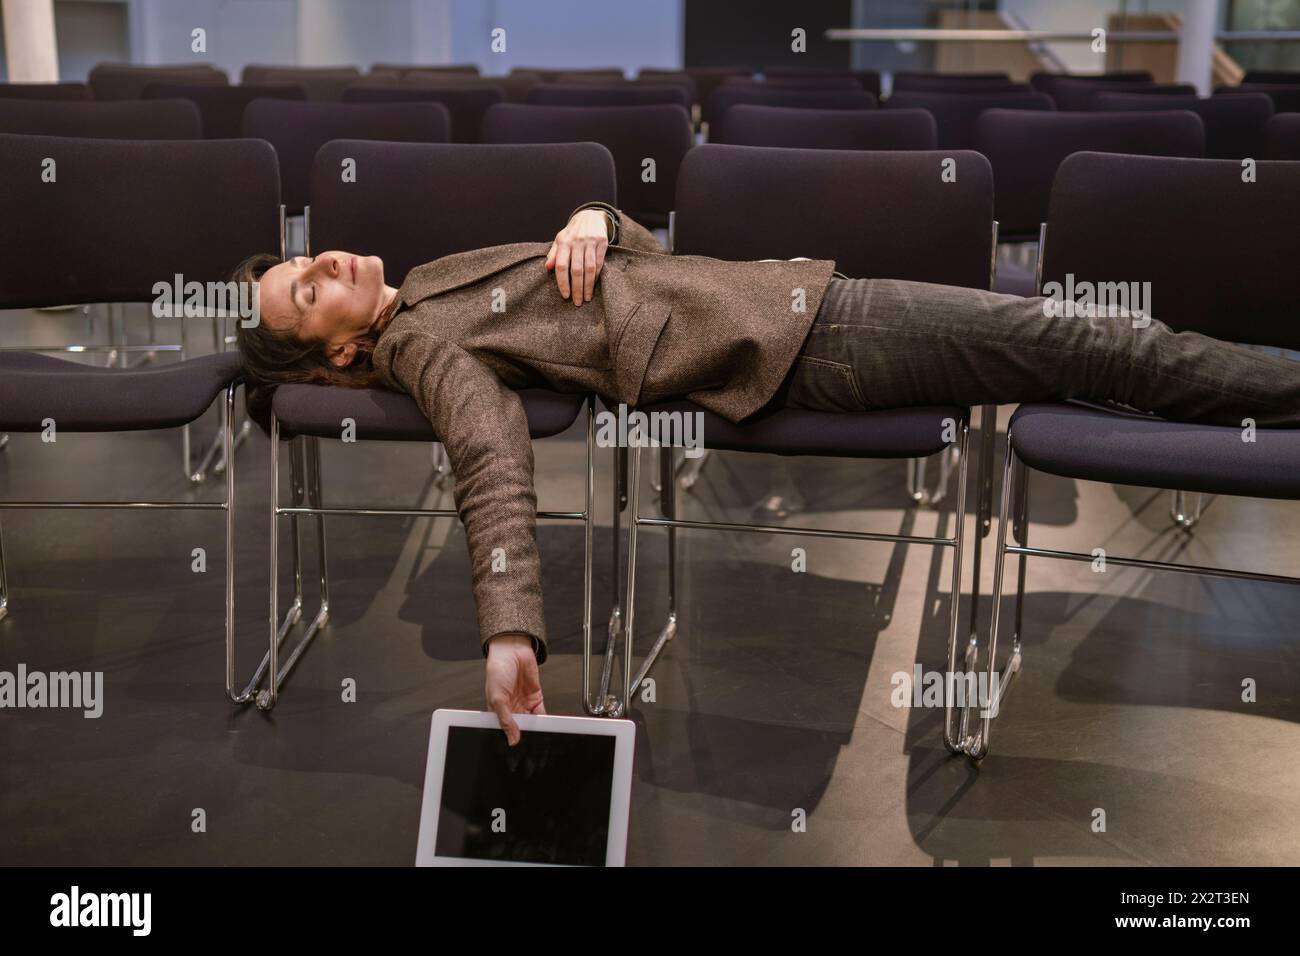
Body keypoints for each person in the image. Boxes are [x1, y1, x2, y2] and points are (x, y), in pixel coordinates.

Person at [235, 202, 1300, 744]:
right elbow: (486, 453)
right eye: (307, 289)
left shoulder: (423, 282)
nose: (322, 262)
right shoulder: (422, 344)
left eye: (309, 258)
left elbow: (633, 259)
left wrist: (594, 219)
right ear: (336, 349)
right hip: (796, 345)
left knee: (1083, 343)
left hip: (789, 304)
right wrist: (510, 625)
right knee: (1086, 341)